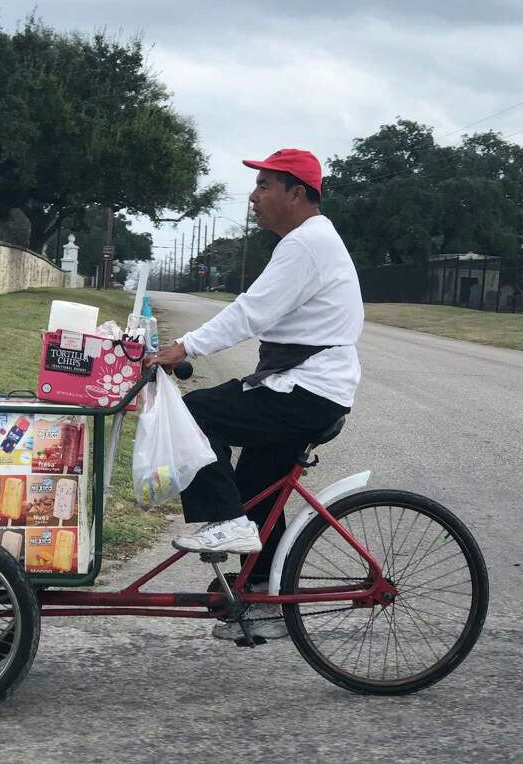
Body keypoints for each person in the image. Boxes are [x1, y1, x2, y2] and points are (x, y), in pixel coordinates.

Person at [147, 148, 363, 641]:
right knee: (255, 494)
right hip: (303, 386)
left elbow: (250, 313)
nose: (254, 195)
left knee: (195, 412)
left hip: (307, 392)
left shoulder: (306, 243)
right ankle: (266, 590)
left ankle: (225, 523)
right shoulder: (306, 240)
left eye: (266, 185)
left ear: (298, 193)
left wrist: (185, 346)